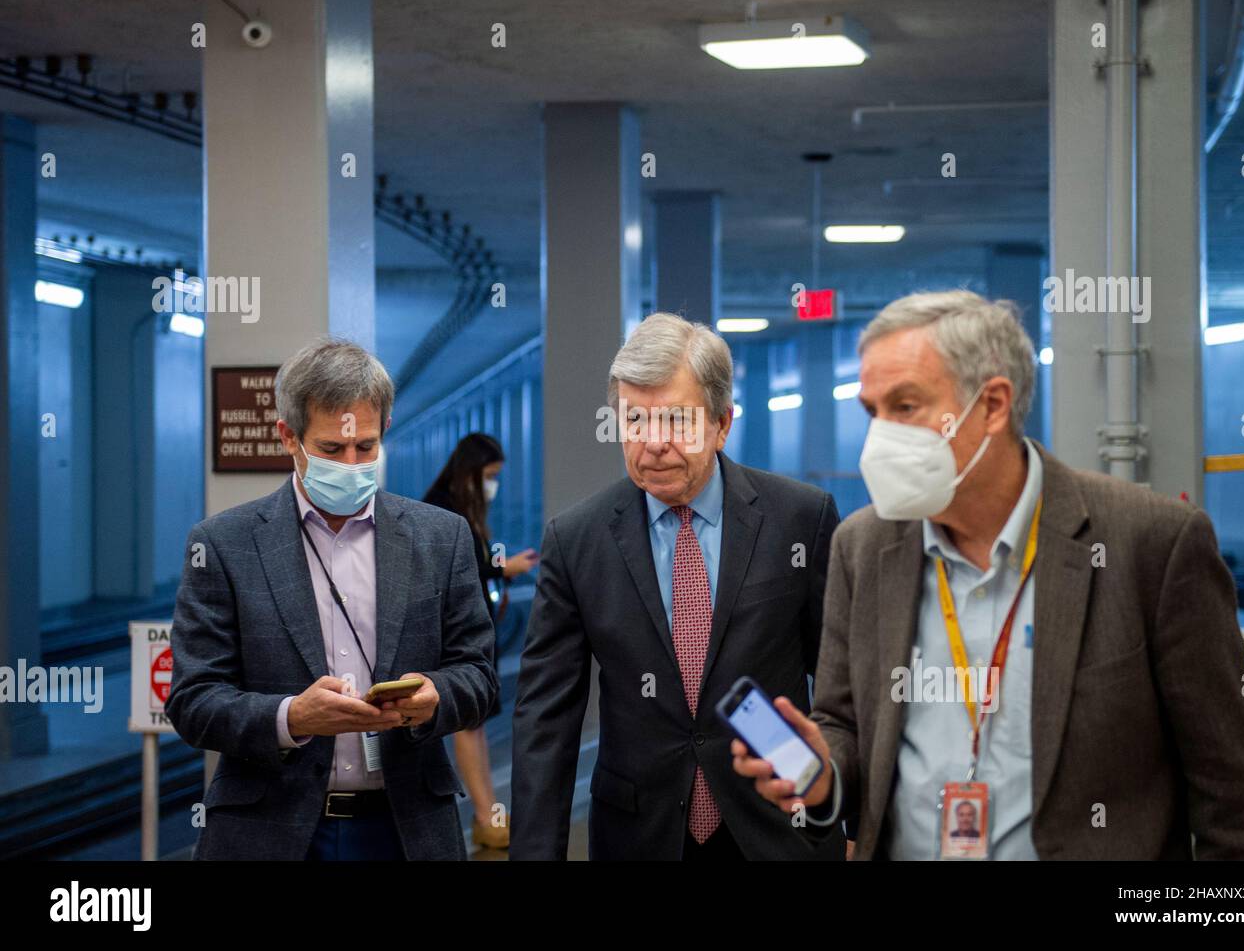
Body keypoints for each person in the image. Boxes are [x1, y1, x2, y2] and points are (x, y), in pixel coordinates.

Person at [733, 289, 1244, 860]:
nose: (880, 439)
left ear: (992, 405)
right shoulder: (863, 547)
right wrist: (821, 774)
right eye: (874, 412)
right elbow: (845, 724)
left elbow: (1231, 798)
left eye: (906, 406)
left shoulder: (1149, 543)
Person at [511, 313, 845, 861]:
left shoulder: (799, 520)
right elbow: (546, 718)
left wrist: (846, 813)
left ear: (721, 424)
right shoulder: (577, 541)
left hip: (781, 828)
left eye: (677, 421)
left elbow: (838, 686)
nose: (653, 444)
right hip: (641, 834)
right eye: (635, 420)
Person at [166, 337, 498, 860]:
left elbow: (479, 675)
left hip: (405, 828)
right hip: (271, 831)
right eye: (330, 449)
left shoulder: (442, 538)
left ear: (385, 430)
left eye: (365, 447)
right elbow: (193, 702)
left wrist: (435, 696)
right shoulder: (224, 545)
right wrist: (292, 717)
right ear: (288, 437)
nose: (350, 464)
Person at [423, 432, 538, 850]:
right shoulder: (442, 509)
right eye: (489, 475)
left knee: (477, 726)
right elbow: (461, 568)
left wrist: (499, 567)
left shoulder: (457, 507)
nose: (493, 485)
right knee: (469, 725)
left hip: (472, 633)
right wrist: (500, 570)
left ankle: (488, 813)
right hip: (454, 639)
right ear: (470, 471)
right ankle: (485, 815)